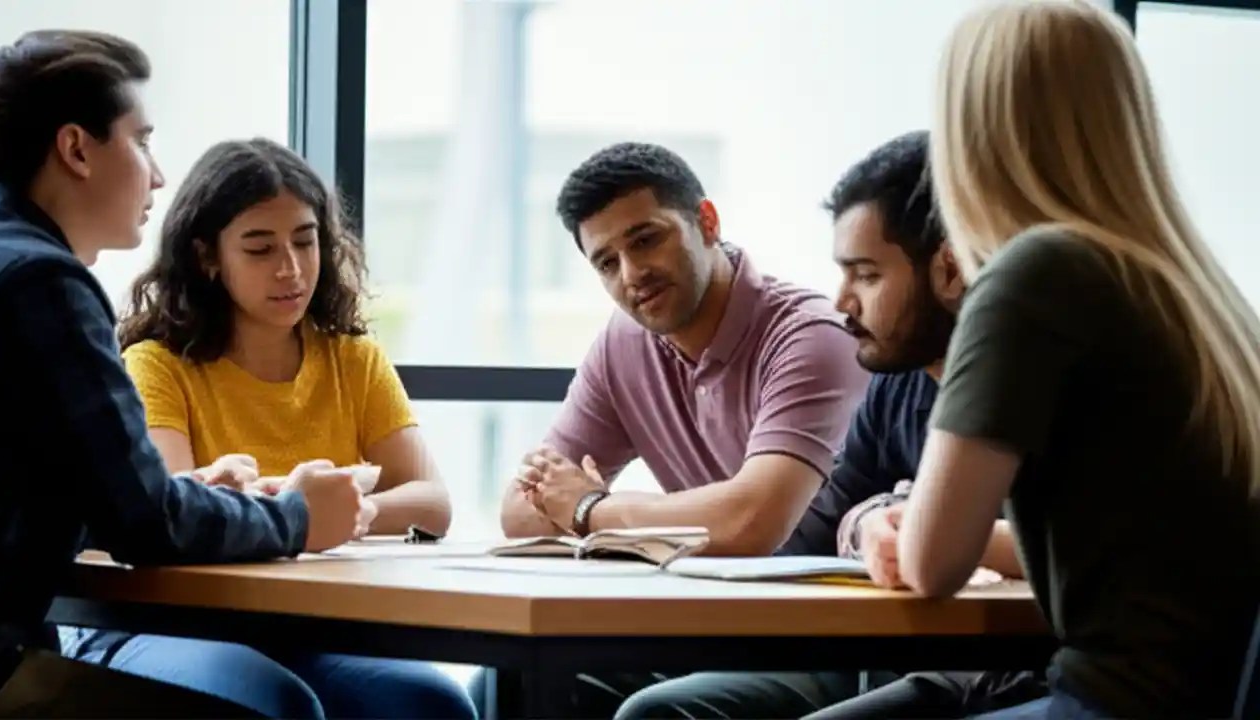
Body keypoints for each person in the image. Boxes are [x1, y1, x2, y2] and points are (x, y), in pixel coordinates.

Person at [0, 30, 367, 718]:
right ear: (76, 149)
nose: (157, 175)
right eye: (143, 140)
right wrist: (296, 518)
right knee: (274, 710)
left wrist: (169, 492)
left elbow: (65, 497)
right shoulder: (41, 281)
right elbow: (146, 524)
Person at [896, 1, 1260, 717]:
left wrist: (900, 529)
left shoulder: (1038, 274)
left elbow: (930, 564)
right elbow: (1137, 546)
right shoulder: (1199, 291)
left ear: (972, 134)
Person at [617, 132, 1040, 720]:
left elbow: (1061, 548)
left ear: (949, 269)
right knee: (658, 710)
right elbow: (828, 524)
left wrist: (917, 525)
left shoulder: (1030, 377)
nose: (842, 301)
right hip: (894, 655)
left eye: (866, 276)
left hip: (1011, 670)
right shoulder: (896, 382)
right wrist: (874, 520)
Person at [53, 138, 474, 720]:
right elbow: (173, 517)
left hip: (303, 625)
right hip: (163, 621)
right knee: (274, 700)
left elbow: (432, 502)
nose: (291, 268)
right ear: (208, 258)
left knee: (431, 702)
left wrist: (340, 512)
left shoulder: (353, 359)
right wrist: (302, 509)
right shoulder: (159, 363)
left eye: (305, 241)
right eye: (259, 248)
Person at [489, 142, 870, 718]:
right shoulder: (624, 343)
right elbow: (521, 512)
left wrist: (592, 509)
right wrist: (594, 508)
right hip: (699, 624)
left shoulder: (810, 334)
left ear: (707, 222)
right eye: (606, 263)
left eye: (646, 240)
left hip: (833, 641)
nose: (632, 274)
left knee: (658, 713)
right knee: (515, 683)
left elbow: (749, 524)